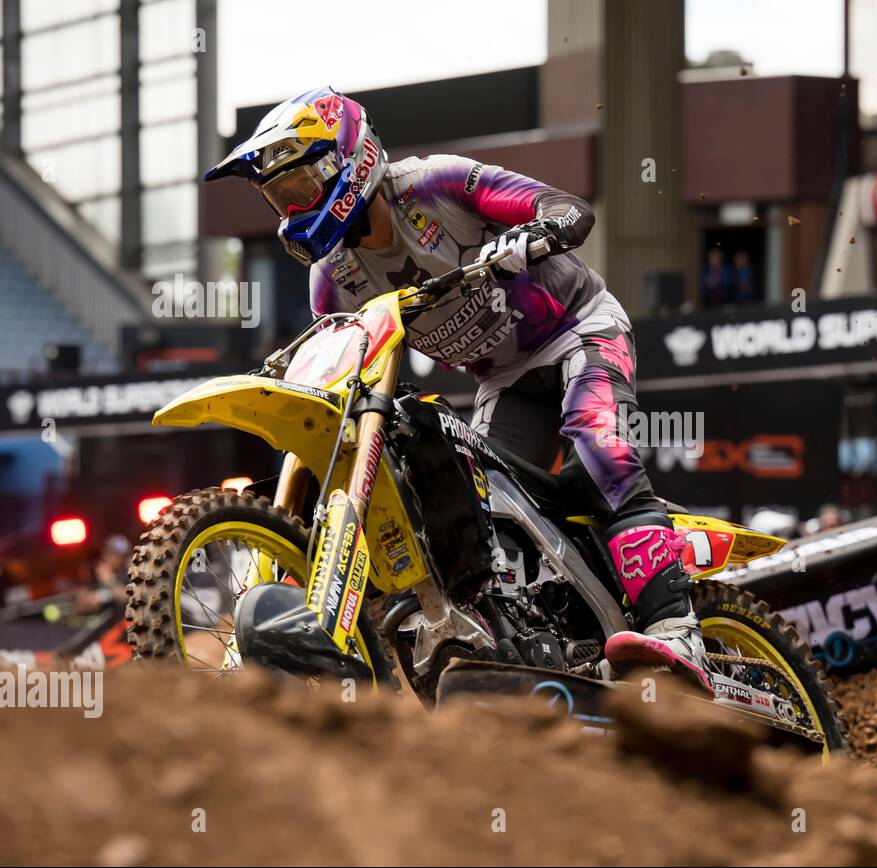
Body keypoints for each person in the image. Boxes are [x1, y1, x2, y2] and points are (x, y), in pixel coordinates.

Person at [205, 88, 711, 689]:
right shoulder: (332, 280)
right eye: (280, 197)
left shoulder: (435, 185)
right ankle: (557, 643)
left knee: (601, 448)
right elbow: (342, 356)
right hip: (502, 377)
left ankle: (678, 628)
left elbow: (569, 208)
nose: (293, 206)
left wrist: (534, 236)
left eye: (300, 188)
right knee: (482, 508)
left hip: (579, 330)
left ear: (349, 160)